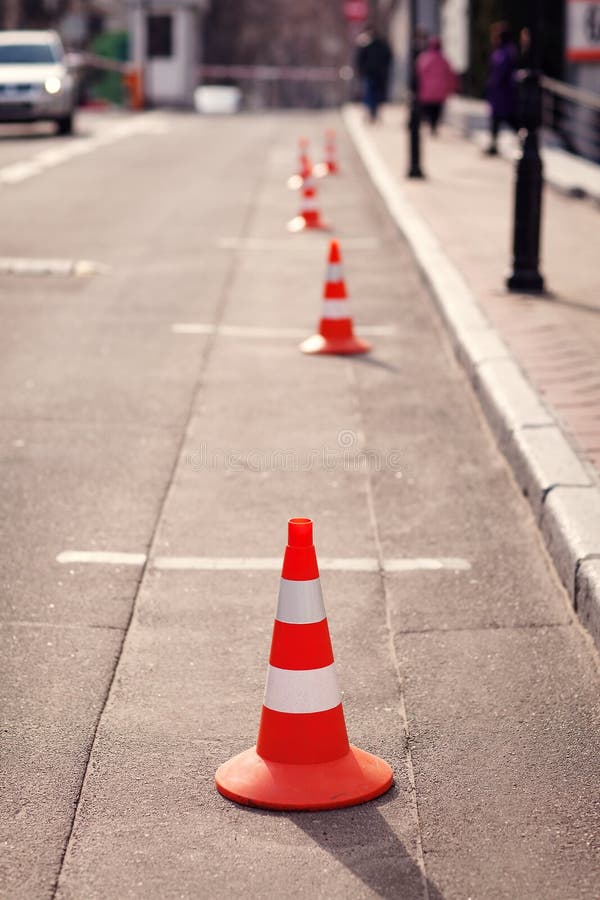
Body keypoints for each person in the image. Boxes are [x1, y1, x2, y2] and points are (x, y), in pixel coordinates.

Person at [485, 24, 518, 155]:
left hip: (502, 93)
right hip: (500, 93)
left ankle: (523, 139)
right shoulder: (505, 51)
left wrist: (492, 84)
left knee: (507, 118)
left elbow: (500, 73)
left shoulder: (504, 53)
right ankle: (493, 144)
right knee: (498, 120)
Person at [416, 36, 456, 135]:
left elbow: (419, 72)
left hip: (427, 90)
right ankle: (434, 126)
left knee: (429, 109)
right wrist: (451, 87)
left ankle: (430, 124)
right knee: (437, 110)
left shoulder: (424, 58)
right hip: (440, 90)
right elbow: (450, 74)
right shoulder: (444, 59)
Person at [355, 28, 393, 123]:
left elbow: (360, 60)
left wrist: (362, 70)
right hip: (377, 74)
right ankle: (373, 113)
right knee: (375, 94)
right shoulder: (381, 45)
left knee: (371, 94)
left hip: (371, 74)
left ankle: (373, 113)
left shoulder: (367, 46)